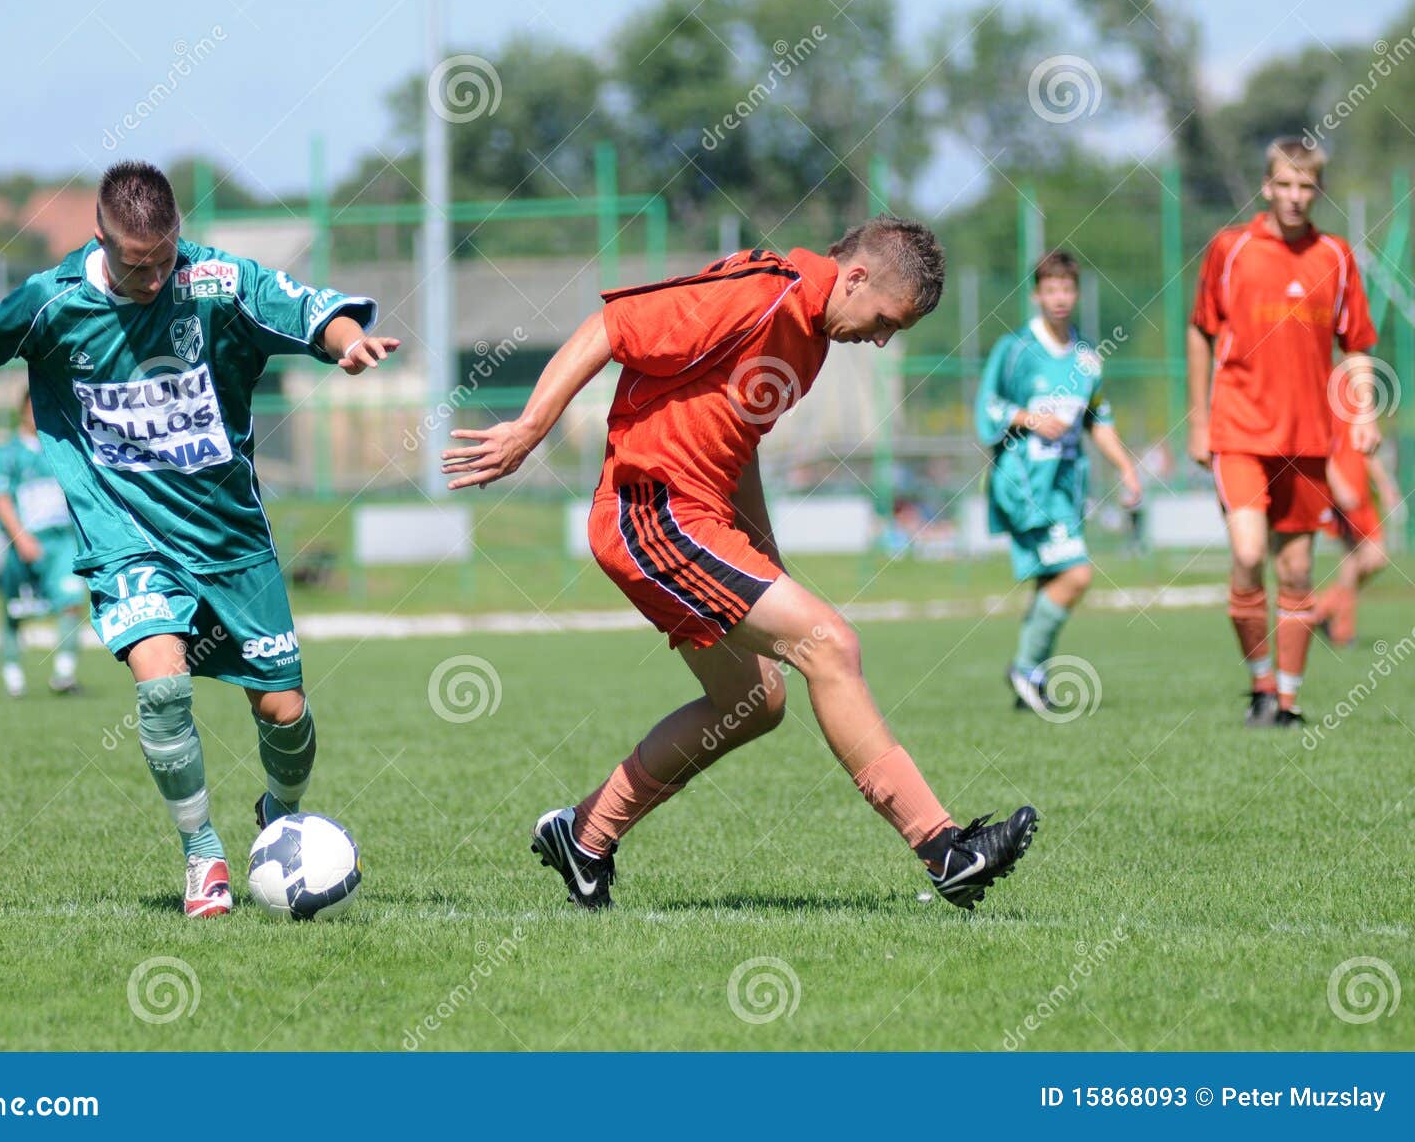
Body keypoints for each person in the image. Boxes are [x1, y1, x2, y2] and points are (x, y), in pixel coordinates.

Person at [444, 219, 1038, 912]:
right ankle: (944, 850)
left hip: (697, 520)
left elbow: (739, 444)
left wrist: (765, 557)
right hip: (654, 512)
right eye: (884, 321)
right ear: (855, 278)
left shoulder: (811, 338)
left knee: (755, 702)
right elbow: (611, 325)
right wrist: (527, 429)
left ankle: (584, 834)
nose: (880, 339)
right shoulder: (762, 291)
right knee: (831, 645)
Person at [0, 161, 399, 917]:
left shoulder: (216, 281)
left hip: (229, 537)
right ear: (101, 239)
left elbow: (310, 308)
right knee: (162, 685)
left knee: (282, 710)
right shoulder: (52, 302)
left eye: (164, 257)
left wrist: (346, 342)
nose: (155, 276)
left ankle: (280, 819)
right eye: (136, 262)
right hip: (125, 532)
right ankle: (203, 858)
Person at [1187, 137, 1379, 727]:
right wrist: (1198, 419)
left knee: (1296, 570)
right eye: (1285, 185)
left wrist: (1365, 408)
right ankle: (1261, 685)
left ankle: (1288, 702)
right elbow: (1201, 331)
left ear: (1317, 191)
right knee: (1248, 552)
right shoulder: (1231, 248)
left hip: (1310, 439)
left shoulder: (1336, 256)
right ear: (1267, 186)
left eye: (1306, 187)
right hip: (1240, 430)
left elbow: (1358, 344)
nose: (1295, 197)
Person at [976, 250, 1141, 712]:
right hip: (1027, 485)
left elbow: (1099, 419)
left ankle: (1033, 678)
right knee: (1077, 573)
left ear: (1076, 292)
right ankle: (1026, 667)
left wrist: (1126, 466)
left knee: (1051, 577)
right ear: (1036, 295)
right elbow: (987, 407)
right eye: (1050, 289)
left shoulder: (1088, 359)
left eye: (1067, 289)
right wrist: (1026, 417)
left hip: (1066, 487)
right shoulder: (1015, 351)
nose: (1060, 298)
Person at [0, 391, 87, 697]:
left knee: (71, 601)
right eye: (32, 409)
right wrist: (21, 537)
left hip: (62, 542)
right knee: (15, 610)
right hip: (24, 544)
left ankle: (65, 674)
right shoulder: (5, 455)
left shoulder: (62, 449)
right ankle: (12, 673)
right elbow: (0, 498)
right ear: (22, 411)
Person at [1313, 442, 1395, 647]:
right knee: (1351, 562)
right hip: (1343, 498)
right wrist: (1337, 485)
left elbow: (1368, 450)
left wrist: (1385, 485)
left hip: (1364, 499)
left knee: (1378, 558)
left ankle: (1320, 608)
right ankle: (1343, 632)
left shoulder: (1358, 411)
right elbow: (1323, 450)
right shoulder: (1331, 411)